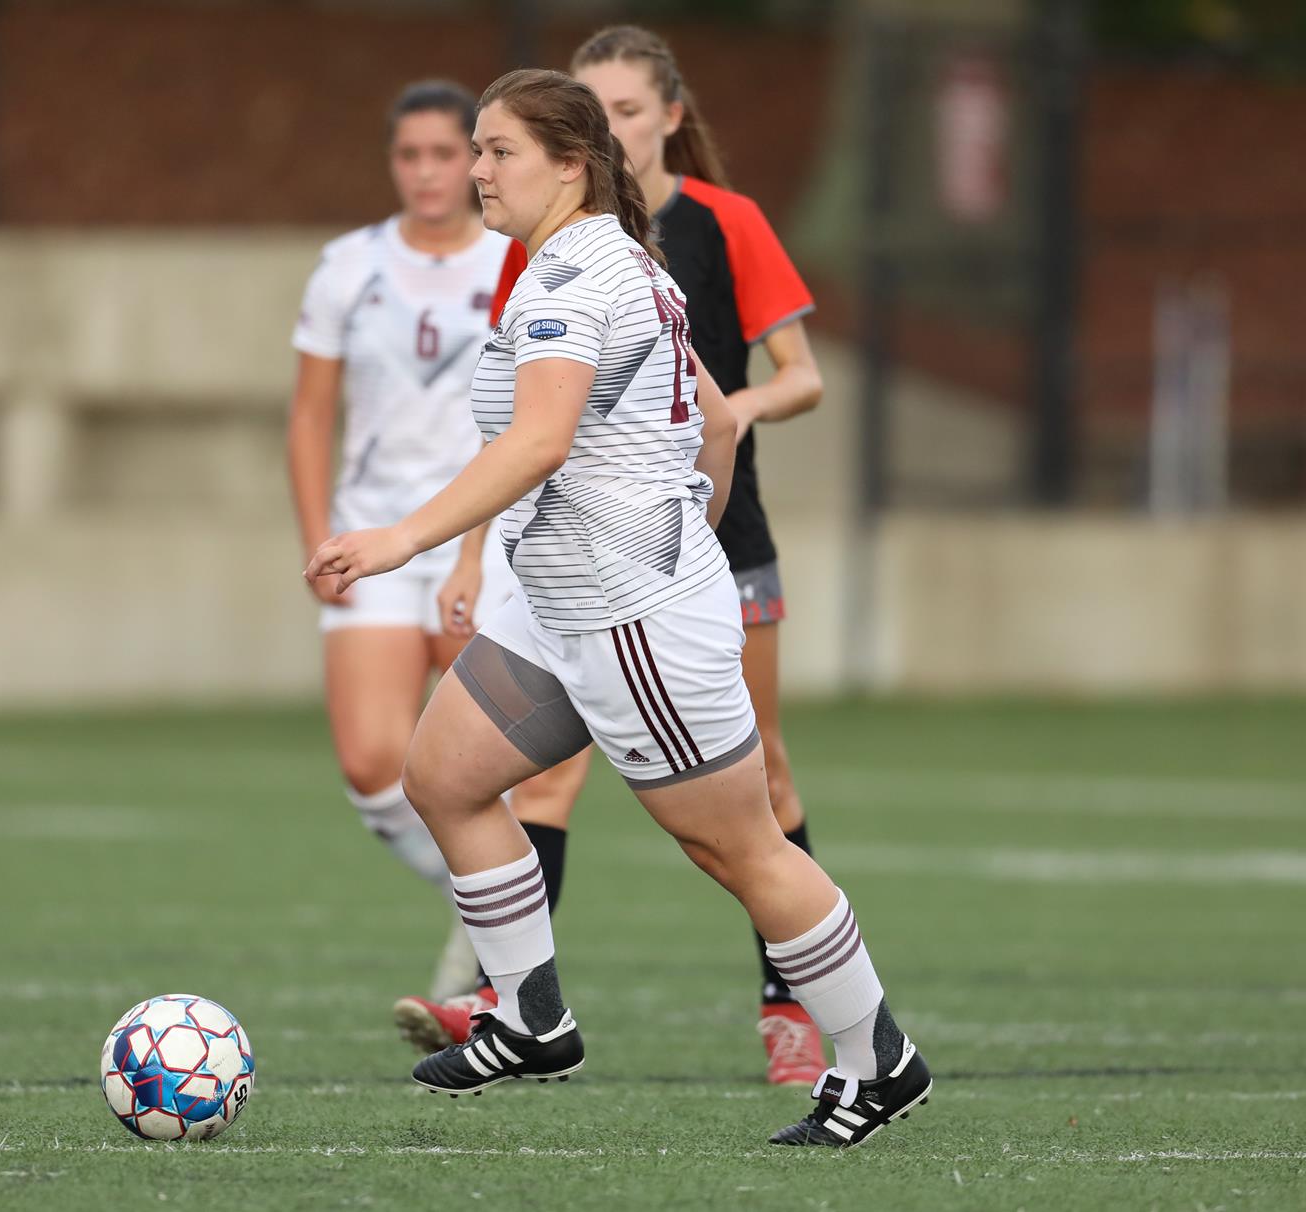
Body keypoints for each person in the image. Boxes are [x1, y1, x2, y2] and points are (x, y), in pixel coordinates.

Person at [306, 67, 929, 1150]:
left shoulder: (569, 280)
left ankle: (879, 1062)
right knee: (443, 776)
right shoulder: (610, 260)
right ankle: (530, 1018)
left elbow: (539, 442)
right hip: (565, 607)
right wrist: (685, 530)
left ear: (569, 166)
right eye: (475, 149)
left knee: (739, 850)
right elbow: (715, 428)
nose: (474, 169)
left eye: (496, 150)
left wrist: (400, 541)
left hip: (630, 619)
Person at [397, 24, 833, 1087]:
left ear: (663, 121)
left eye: (628, 110)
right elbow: (521, 428)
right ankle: (516, 1006)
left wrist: (714, 446)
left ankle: (802, 1013)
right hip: (579, 564)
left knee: (750, 803)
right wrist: (469, 559)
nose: (613, 127)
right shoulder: (544, 248)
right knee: (515, 780)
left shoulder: (715, 226)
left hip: (697, 540)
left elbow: (791, 380)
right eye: (597, 109)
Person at [286, 80, 515, 1002]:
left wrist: (476, 552)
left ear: (476, 161)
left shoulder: (514, 260)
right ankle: (484, 900)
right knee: (373, 764)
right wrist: (317, 538)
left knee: (489, 762)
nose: (427, 172)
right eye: (409, 155)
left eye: (446, 154)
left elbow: (526, 424)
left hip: (481, 542)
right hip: (373, 538)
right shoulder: (349, 266)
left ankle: (501, 961)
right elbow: (310, 416)